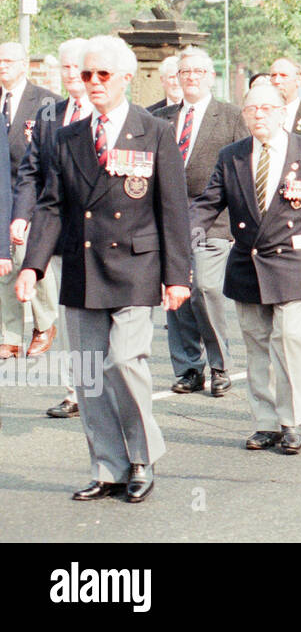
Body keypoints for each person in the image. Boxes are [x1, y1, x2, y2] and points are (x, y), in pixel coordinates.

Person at [17, 35, 191, 502]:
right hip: (82, 265)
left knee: (125, 362)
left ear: (126, 78)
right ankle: (108, 466)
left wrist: (178, 277)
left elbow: (172, 208)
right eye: (85, 74)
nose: (91, 83)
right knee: (91, 374)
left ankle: (142, 457)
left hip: (135, 265)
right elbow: (52, 206)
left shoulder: (153, 130)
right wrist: (33, 266)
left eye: (102, 75)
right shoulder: (67, 135)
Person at [189, 82, 301, 454]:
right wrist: (184, 235)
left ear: (280, 112)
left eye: (266, 109)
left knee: (290, 340)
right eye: (251, 109)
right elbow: (209, 202)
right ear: (244, 115)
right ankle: (266, 423)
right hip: (249, 263)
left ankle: (291, 422)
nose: (258, 115)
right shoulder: (233, 156)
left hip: (295, 262)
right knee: (257, 346)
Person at [156, 46, 246, 398]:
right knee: (176, 292)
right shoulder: (160, 118)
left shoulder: (231, 116)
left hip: (214, 219)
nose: (191, 77)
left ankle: (220, 364)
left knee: (206, 289)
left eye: (198, 72)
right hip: (169, 220)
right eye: (185, 72)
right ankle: (189, 368)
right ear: (176, 77)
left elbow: (243, 171)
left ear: (211, 76)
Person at [10, 39, 88, 416]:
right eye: (67, 68)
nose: (72, 74)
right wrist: (22, 215)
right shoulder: (49, 116)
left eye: (79, 68)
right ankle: (77, 391)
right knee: (71, 312)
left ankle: (112, 389)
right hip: (60, 230)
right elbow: (30, 171)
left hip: (109, 237)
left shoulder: (115, 116)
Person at [0, 41, 55, 359]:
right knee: (4, 264)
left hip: (31, 192)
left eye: (8, 61)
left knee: (30, 259)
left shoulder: (45, 101)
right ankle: (9, 333)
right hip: (2, 192)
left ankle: (44, 323)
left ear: (24, 64)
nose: (3, 66)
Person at [268, 56, 301, 135]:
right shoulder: (260, 117)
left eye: (283, 75)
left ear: (299, 80)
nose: (277, 81)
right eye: (273, 75)